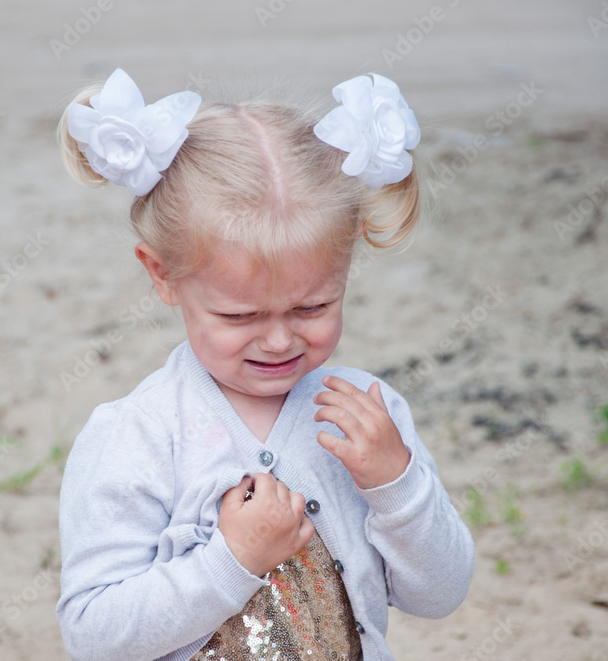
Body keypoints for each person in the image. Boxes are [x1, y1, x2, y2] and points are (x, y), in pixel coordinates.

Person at [55, 68, 474, 661]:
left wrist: (395, 485)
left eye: (313, 305)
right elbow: (95, 636)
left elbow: (440, 593)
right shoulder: (138, 435)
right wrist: (233, 561)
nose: (279, 340)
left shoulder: (365, 417)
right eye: (239, 315)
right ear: (162, 275)